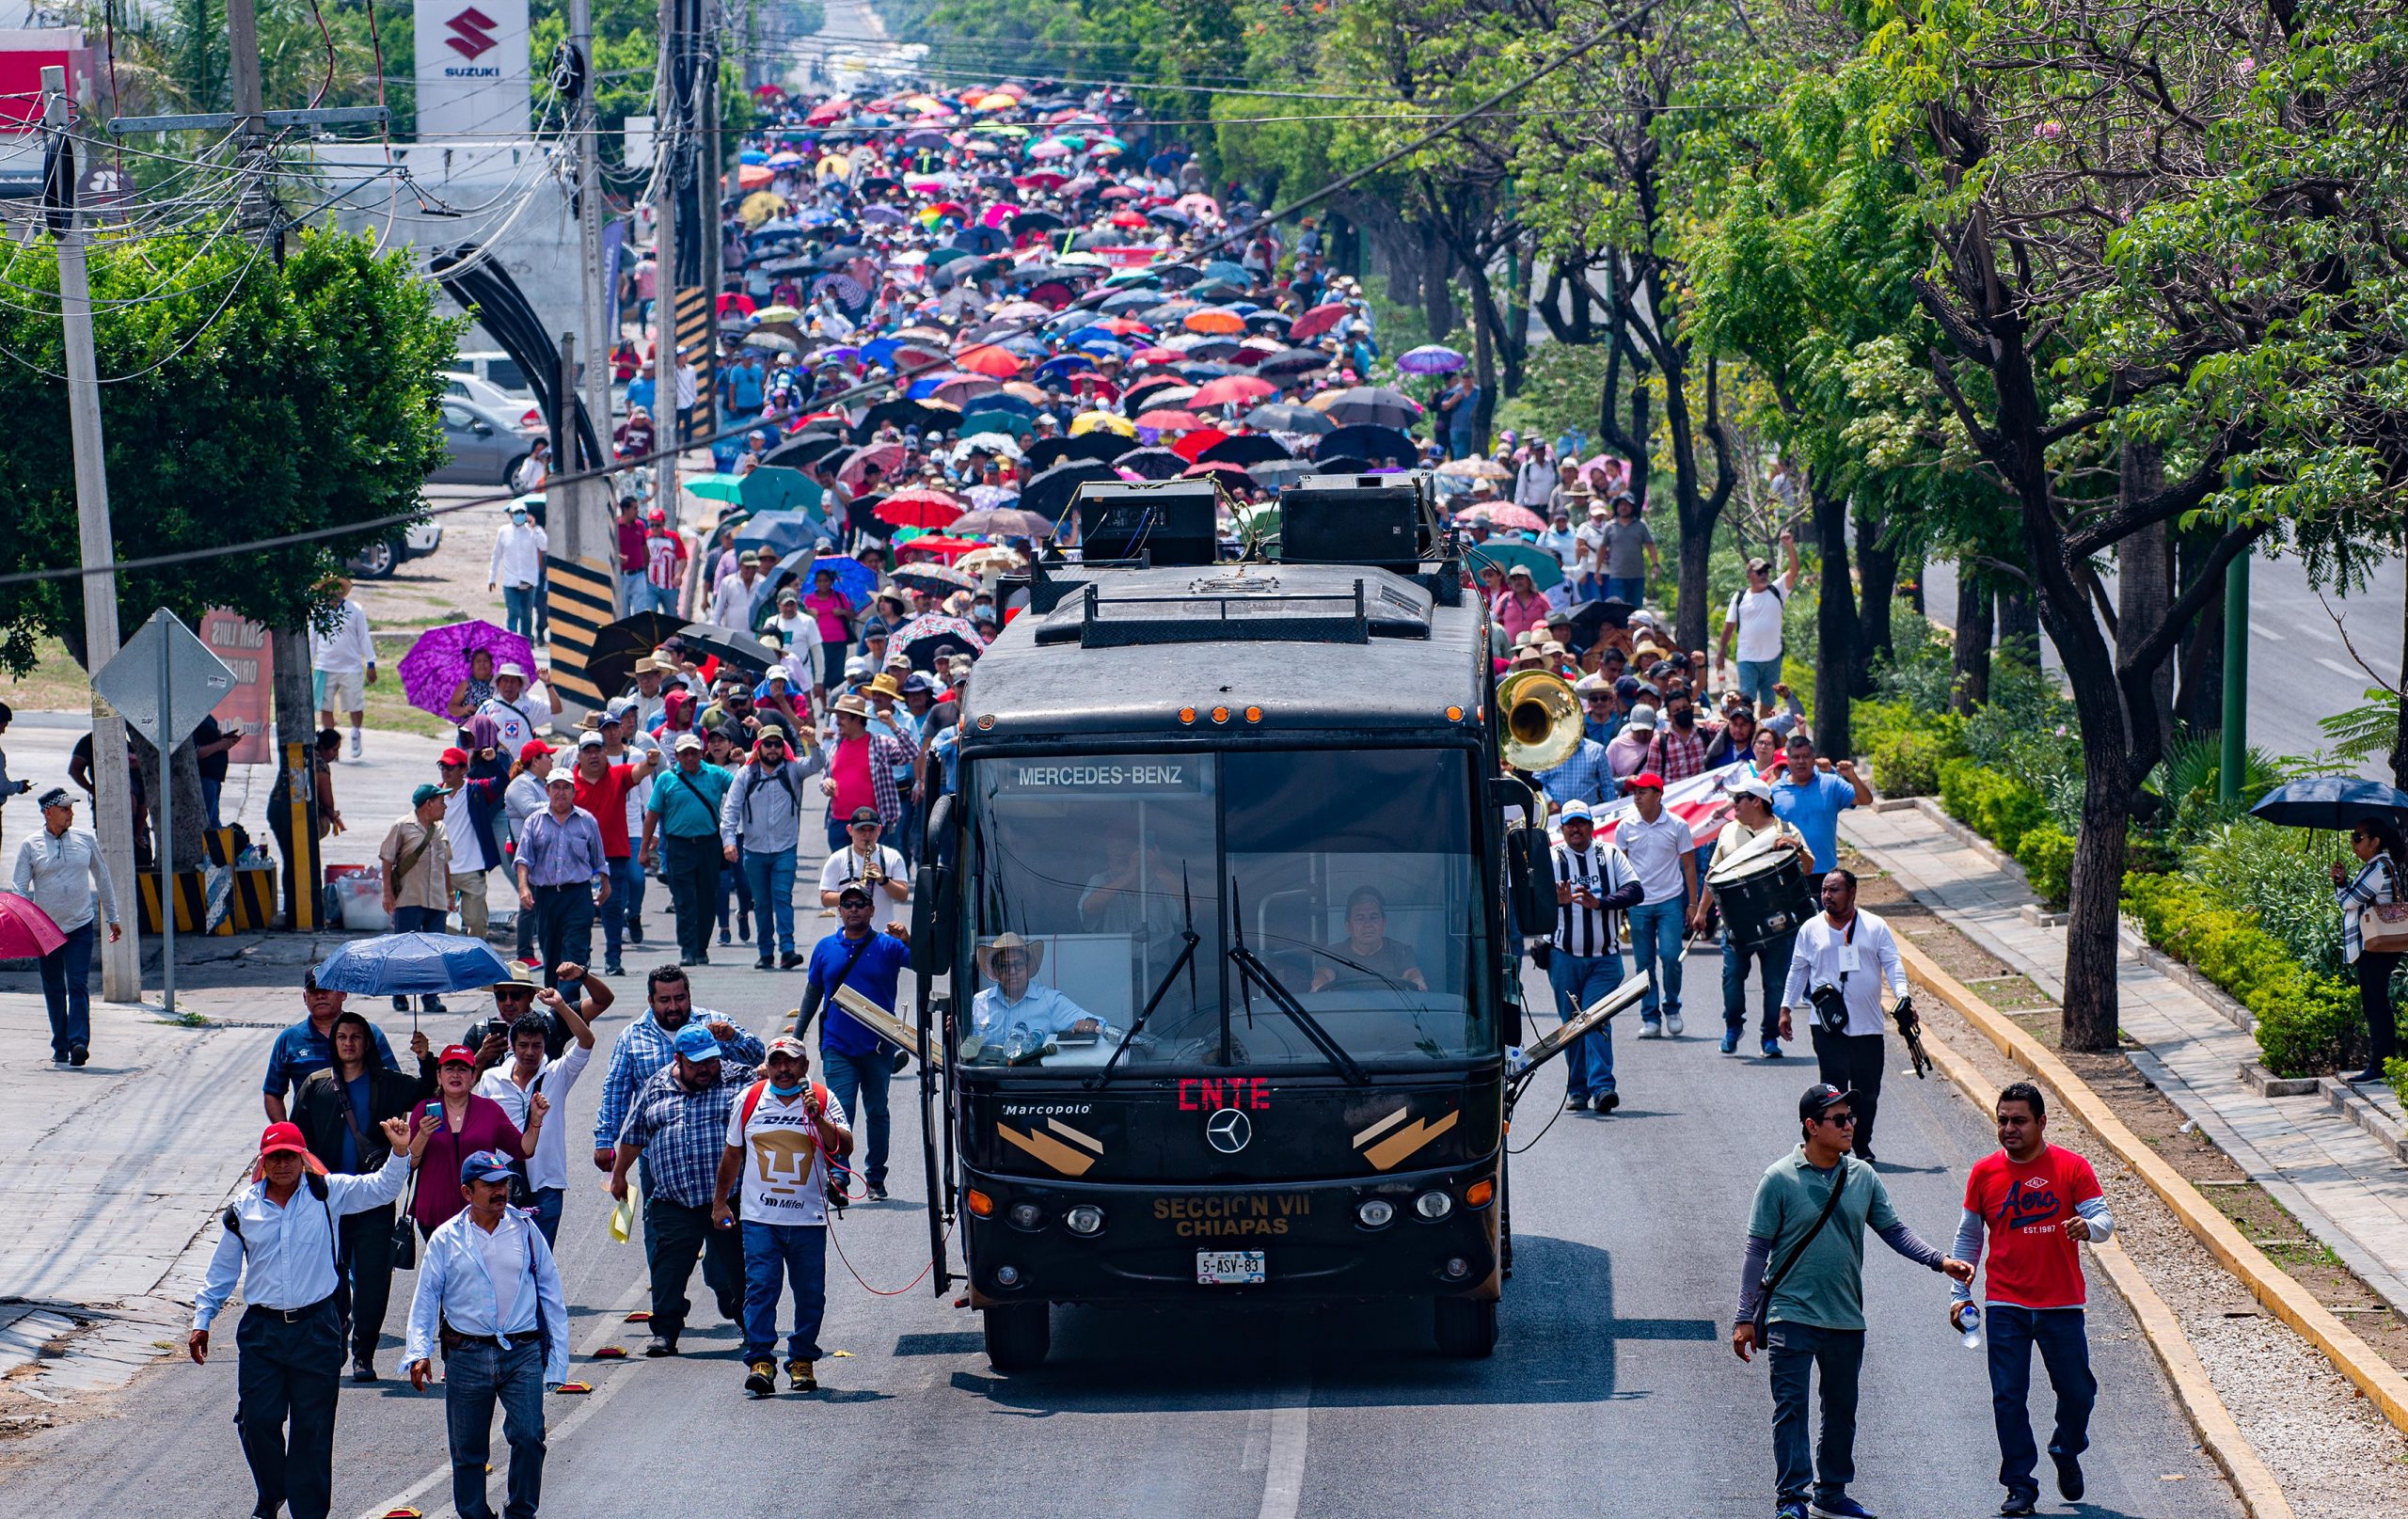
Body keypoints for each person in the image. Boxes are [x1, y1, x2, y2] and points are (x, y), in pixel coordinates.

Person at [1733, 1083, 1973, 1519]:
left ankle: (1831, 1493)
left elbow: (1894, 1231)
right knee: (1791, 1408)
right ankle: (1791, 1499)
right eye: (1839, 1120)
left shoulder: (1862, 1176)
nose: (1849, 1126)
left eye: (1851, 1118)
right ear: (1811, 1126)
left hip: (1845, 1316)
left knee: (1841, 1411)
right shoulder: (1779, 1178)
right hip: (1790, 1314)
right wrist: (1744, 1317)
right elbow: (1756, 1251)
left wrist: (1941, 1262)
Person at [188, 1116, 414, 1519]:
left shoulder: (328, 1194)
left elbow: (382, 1188)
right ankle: (274, 1490)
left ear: (303, 1158)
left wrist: (400, 1151)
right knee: (257, 1419)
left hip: (317, 1328)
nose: (282, 1165)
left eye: (289, 1156)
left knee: (312, 1428)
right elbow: (222, 1271)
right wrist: (202, 1320)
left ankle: (308, 1512)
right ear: (263, 1161)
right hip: (262, 1331)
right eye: (274, 1157)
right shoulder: (243, 1209)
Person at [1951, 1082, 2114, 1516]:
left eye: (2019, 1120)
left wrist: (2088, 1228)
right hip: (2006, 1304)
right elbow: (1968, 1237)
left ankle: (2066, 1447)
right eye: (2002, 1120)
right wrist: (1960, 1292)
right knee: (2008, 1396)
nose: (2009, 1128)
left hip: (2061, 1305)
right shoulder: (1984, 1173)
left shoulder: (2071, 1166)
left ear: (2041, 1122)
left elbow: (2102, 1217)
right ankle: (2020, 1486)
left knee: (2078, 1392)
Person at [404, 1148, 569, 1519]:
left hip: (522, 1351)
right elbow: (427, 1297)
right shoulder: (446, 1239)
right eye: (489, 1185)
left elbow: (551, 1293)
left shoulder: (526, 1231)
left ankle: (521, 1512)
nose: (500, 1192)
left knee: (529, 1437)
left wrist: (558, 1360)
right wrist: (418, 1351)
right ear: (467, 1193)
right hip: (466, 1356)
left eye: (504, 1184)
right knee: (467, 1451)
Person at [290, 1009, 431, 1382]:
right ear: (333, 1044)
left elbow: (427, 1091)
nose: (349, 1043)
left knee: (373, 1278)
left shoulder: (386, 1082)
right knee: (330, 1276)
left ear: (367, 1043)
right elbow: (297, 1142)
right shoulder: (315, 1085)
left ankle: (364, 1354)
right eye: (342, 1037)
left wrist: (424, 1057)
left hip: (374, 1197)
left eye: (356, 1037)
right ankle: (337, 1338)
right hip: (329, 1200)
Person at [715, 1035, 853, 1395]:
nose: (783, 1069)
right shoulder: (749, 1098)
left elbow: (844, 1145)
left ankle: (802, 1359)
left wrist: (817, 1117)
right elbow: (732, 1154)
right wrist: (719, 1203)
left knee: (810, 1294)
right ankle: (761, 1359)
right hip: (761, 1219)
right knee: (761, 1288)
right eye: (776, 1062)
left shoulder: (823, 1099)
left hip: (807, 1220)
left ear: (804, 1066)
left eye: (790, 1062)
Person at [611, 1023, 755, 1356]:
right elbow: (635, 1133)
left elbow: (766, 1079)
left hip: (728, 1200)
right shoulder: (657, 1087)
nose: (706, 1069)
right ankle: (665, 1332)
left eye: (711, 1061)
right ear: (678, 1059)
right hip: (674, 1200)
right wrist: (619, 1174)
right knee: (668, 1271)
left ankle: (752, 1327)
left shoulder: (739, 1081)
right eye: (697, 1064)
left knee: (739, 1267)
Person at [1780, 869, 1911, 1162]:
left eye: (1834, 890)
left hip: (1868, 1026)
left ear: (1852, 893)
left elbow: (1892, 963)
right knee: (1835, 1090)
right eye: (1824, 890)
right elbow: (1798, 970)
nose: (1827, 896)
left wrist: (1903, 994)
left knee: (1868, 1092)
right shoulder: (1810, 929)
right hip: (1826, 1026)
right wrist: (1786, 1008)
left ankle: (1862, 1145)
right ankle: (1839, 1147)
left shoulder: (1875, 926)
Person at [797, 881, 912, 1201]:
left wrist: (909, 939)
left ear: (872, 910)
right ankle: (838, 1176)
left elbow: (927, 965)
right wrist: (796, 1037)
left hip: (878, 1047)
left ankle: (876, 1177)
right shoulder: (825, 948)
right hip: (837, 1045)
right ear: (839, 910)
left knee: (877, 1111)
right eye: (847, 904)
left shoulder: (889, 947)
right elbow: (812, 994)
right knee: (838, 1112)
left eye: (860, 904)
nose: (853, 909)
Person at [474, 972, 601, 1244]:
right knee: (505, 1259)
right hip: (501, 1184)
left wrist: (560, 1006)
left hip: (547, 1184)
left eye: (536, 1046)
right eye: (523, 1045)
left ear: (545, 1047)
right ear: (512, 1045)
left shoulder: (558, 1073)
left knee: (540, 1263)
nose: (529, 1052)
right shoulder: (491, 1079)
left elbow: (587, 1041)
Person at [1694, 777, 1815, 1058]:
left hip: (1778, 923)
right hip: (1736, 923)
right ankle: (1733, 1026)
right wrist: (1701, 912)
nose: (1733, 804)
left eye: (1738, 799)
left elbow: (1809, 868)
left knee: (1774, 983)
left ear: (1757, 801)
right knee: (1732, 977)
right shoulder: (1727, 832)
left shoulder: (1786, 830)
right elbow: (1713, 876)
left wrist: (1794, 847)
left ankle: (1769, 1037)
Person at [13, 787, 122, 1066]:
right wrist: (26, 924)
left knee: (77, 984)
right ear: (48, 812)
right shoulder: (31, 845)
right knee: (53, 988)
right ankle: (60, 1044)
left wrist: (113, 917)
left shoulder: (85, 840)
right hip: (44, 931)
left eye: (71, 808)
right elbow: (19, 888)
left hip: (80, 926)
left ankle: (78, 1043)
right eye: (64, 809)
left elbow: (103, 878)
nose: (70, 813)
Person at [1550, 799, 1641, 1113]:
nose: (1576, 829)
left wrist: (1600, 904)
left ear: (1591, 826)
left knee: (1594, 1017)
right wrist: (1556, 900)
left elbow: (1635, 891)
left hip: (1605, 958)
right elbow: (1531, 903)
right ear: (1562, 829)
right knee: (1572, 1023)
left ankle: (1602, 1087)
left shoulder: (1610, 854)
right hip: (1564, 956)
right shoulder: (1552, 858)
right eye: (1570, 824)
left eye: (1582, 823)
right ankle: (1577, 1089)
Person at [407, 1044, 542, 1238]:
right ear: (439, 1076)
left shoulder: (489, 1110)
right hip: (434, 1215)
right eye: (449, 1069)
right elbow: (409, 1164)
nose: (455, 1075)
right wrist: (422, 1135)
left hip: (481, 1215)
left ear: (473, 1076)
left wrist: (535, 1122)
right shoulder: (424, 1110)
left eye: (462, 1069)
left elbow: (524, 1150)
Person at [721, 725, 827, 970]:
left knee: (782, 897)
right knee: (761, 903)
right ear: (759, 747)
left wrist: (812, 742)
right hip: (753, 850)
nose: (772, 749)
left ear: (783, 747)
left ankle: (787, 950)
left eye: (777, 744)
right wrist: (728, 841)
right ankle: (765, 951)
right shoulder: (746, 774)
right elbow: (731, 809)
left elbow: (817, 764)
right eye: (767, 744)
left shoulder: (792, 770)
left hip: (785, 848)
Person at [569, 730, 661, 977]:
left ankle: (613, 959)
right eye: (587, 751)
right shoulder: (569, 785)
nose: (593, 756)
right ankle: (582, 959)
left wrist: (650, 763)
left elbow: (639, 771)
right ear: (579, 756)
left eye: (597, 750)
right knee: (582, 912)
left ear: (605, 753)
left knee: (612, 909)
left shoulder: (617, 775)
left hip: (613, 856)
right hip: (579, 860)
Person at [514, 772, 610, 1003]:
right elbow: (523, 859)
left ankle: (569, 1003)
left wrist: (605, 885)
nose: (560, 792)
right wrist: (523, 887)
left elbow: (599, 860)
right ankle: (554, 1004)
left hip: (578, 896)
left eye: (566, 787)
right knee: (551, 954)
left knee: (575, 952)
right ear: (547, 791)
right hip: (546, 897)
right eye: (555, 787)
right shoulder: (534, 821)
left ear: (574, 792)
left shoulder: (587, 821)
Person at [643, 732, 737, 965]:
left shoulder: (716, 775)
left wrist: (746, 761)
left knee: (707, 898)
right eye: (684, 754)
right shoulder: (666, 779)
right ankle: (687, 948)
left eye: (693, 753)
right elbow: (653, 813)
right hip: (679, 846)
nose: (689, 758)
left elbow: (740, 789)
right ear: (676, 756)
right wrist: (644, 848)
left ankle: (701, 947)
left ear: (700, 753)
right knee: (684, 899)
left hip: (708, 845)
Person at [1617, 772, 1697, 1037]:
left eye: (1643, 791)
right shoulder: (1625, 827)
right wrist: (1621, 904)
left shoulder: (1677, 825)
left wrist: (1693, 903)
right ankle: (1650, 1017)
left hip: (1670, 901)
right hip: (1639, 904)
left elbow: (1688, 865)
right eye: (1634, 792)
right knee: (1644, 964)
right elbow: (1621, 867)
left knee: (1671, 956)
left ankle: (1672, 1007)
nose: (1637, 797)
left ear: (1658, 794)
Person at [264, 971, 403, 1122]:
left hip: (363, 1136)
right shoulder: (289, 1039)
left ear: (343, 993)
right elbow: (273, 1093)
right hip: (308, 1138)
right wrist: (287, 1135)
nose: (320, 996)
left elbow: (396, 1087)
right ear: (305, 997)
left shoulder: (370, 1034)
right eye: (314, 991)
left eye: (327, 989)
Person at [2333, 814, 2408, 1084]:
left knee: (2375, 1006)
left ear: (2375, 842)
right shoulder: (2375, 867)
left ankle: (2380, 1066)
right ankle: (2382, 1063)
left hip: (2377, 947)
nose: (2353, 843)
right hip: (2375, 947)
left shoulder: (2378, 869)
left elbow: (2349, 902)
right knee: (2375, 1004)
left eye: (2358, 838)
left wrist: (2340, 886)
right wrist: (2342, 883)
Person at [379, 783, 453, 1015]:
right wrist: (388, 893)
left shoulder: (440, 829)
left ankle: (431, 997)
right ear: (428, 804)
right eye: (441, 801)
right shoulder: (402, 826)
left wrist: (450, 893)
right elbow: (387, 859)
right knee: (404, 950)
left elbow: (445, 864)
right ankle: (399, 994)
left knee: (435, 951)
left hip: (437, 899)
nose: (445, 806)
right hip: (410, 898)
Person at [1716, 530, 1801, 713]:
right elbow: (1729, 627)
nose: (1764, 574)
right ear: (1749, 575)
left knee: (1769, 703)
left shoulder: (1776, 590)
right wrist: (1721, 653)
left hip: (1772, 658)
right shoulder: (1739, 598)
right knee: (1746, 701)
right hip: (1748, 658)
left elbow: (1793, 571)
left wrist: (1789, 546)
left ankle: (1761, 734)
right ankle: (1748, 733)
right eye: (1759, 572)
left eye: (1765, 571)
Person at [966, 933, 1103, 1044]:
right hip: (986, 1077)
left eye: (1018, 964)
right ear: (996, 970)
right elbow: (968, 1038)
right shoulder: (980, 1001)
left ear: (1028, 967)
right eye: (1005, 966)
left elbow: (1099, 1023)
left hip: (1032, 1076)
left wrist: (1090, 1023)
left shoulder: (1049, 1001)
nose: (1012, 971)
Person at [817, 692, 914, 847]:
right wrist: (826, 783)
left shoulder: (880, 744)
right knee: (843, 871)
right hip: (839, 823)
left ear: (856, 719)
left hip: (871, 826)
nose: (837, 722)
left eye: (842, 717)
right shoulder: (837, 745)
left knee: (873, 870)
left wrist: (893, 726)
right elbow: (825, 778)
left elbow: (912, 753)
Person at [1770, 732, 1871, 880]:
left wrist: (1852, 776)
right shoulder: (1774, 791)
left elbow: (1865, 800)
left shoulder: (1831, 783)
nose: (1801, 761)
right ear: (1788, 760)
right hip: (1790, 872)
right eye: (1796, 757)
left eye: (1806, 756)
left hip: (1826, 871)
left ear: (1813, 759)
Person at [441, 743, 509, 942]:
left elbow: (503, 781)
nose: (445, 771)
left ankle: (475, 959)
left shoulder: (476, 790)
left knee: (477, 923)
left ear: (463, 770)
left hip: (473, 870)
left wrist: (494, 761)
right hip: (443, 872)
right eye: (442, 767)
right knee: (446, 927)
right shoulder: (434, 795)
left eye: (450, 767)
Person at [1307, 886, 1427, 992]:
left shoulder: (1401, 951)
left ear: (1384, 923)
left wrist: (1417, 980)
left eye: (1373, 917)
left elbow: (1410, 973)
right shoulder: (1332, 954)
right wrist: (1319, 983)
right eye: (1360, 918)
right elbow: (1324, 974)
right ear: (1348, 926)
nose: (1367, 924)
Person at [309, 578, 377, 760]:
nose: (333, 592)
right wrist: (308, 664)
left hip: (350, 666)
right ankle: (329, 741)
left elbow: (364, 637)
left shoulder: (354, 609)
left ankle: (355, 733)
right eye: (329, 589)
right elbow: (312, 639)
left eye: (336, 588)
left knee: (355, 704)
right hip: (325, 665)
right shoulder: (318, 611)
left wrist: (370, 662)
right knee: (325, 706)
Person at [818, 806, 910, 930]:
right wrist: (853, 893)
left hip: (881, 934)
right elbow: (825, 899)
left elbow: (903, 896)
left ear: (879, 830)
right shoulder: (837, 859)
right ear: (850, 830)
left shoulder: (893, 857)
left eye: (871, 830)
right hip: (848, 935)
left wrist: (883, 880)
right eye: (861, 830)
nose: (867, 835)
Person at [477, 663, 562, 757]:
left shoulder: (531, 703)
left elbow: (556, 709)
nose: (509, 685)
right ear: (498, 683)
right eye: (505, 681)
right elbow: (476, 736)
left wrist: (548, 684)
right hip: (497, 765)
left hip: (524, 765)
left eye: (513, 681)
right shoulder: (487, 707)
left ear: (520, 684)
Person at [1592, 494, 1658, 607]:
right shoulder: (1610, 526)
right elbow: (1602, 549)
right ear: (1617, 507)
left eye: (1627, 505)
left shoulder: (1640, 525)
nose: (1623, 507)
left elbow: (1650, 545)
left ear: (1632, 507)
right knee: (1618, 608)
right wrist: (1597, 571)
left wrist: (1655, 564)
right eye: (1621, 504)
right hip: (1617, 576)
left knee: (1635, 609)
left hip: (1637, 576)